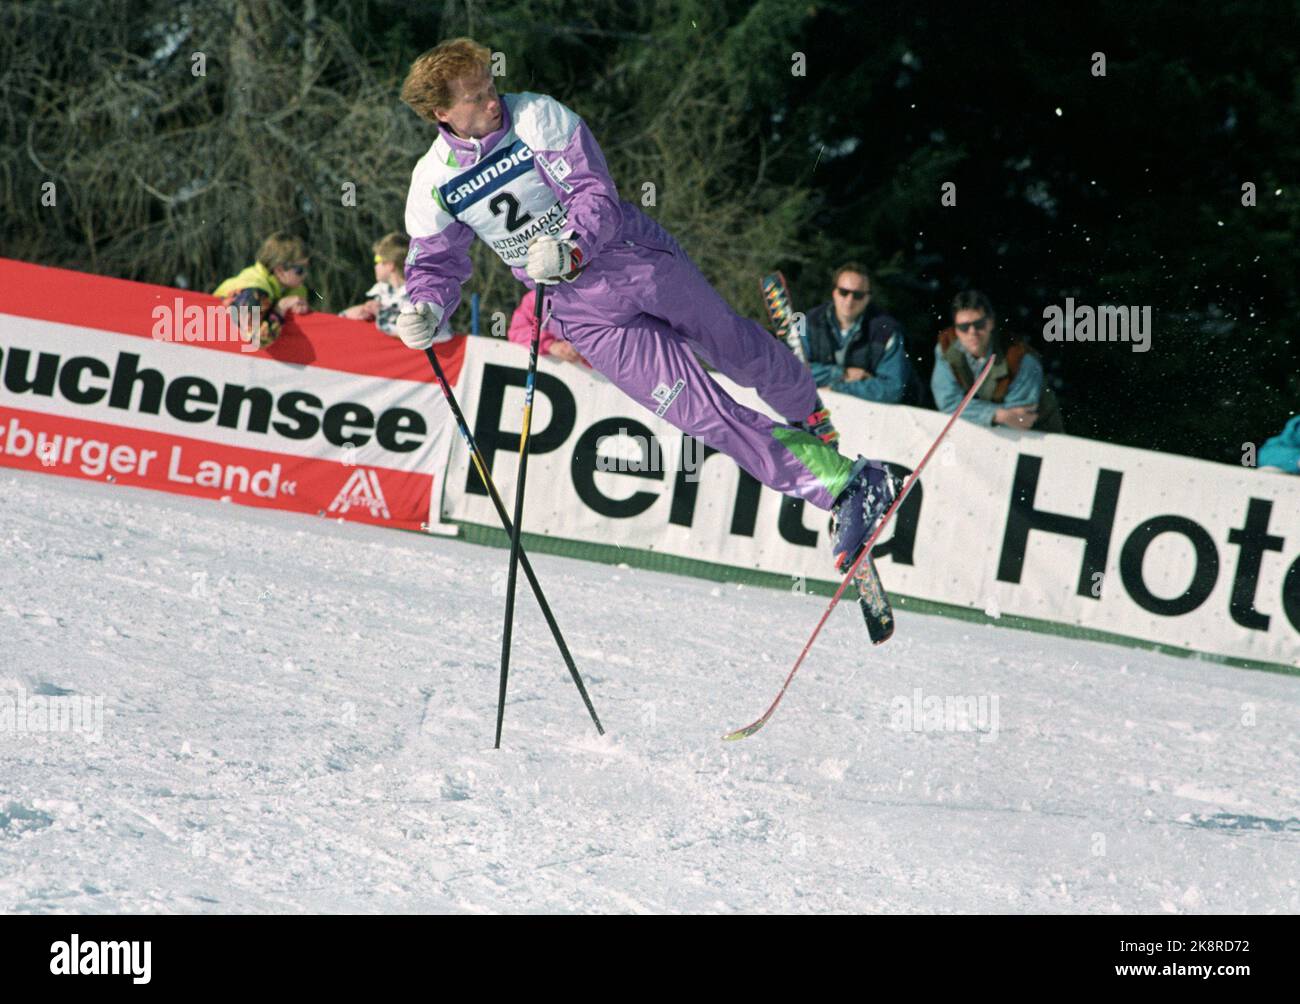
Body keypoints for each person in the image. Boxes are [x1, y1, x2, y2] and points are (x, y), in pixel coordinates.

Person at [394, 38, 899, 573]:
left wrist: (571, 246)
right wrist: (426, 309)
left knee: (732, 348)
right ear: (441, 112)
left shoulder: (538, 117)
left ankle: (805, 410)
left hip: (631, 260)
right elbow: (435, 265)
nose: (493, 101)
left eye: (491, 87)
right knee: (704, 415)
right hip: (582, 314)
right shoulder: (433, 182)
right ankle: (845, 484)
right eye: (476, 97)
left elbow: (594, 194)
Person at [931, 290, 1064, 431]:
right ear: (956, 329)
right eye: (964, 327)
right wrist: (998, 414)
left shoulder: (1021, 359)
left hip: (1040, 434)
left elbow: (1020, 419)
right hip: (987, 428)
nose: (972, 332)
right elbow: (948, 403)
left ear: (991, 323)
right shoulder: (946, 349)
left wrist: (975, 412)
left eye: (979, 324)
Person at [804, 263, 924, 405]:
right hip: (817, 407)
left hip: (873, 413)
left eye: (858, 295)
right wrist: (843, 374)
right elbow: (793, 370)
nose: (849, 301)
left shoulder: (886, 331)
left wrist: (837, 389)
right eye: (844, 292)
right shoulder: (809, 321)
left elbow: (893, 388)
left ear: (868, 298)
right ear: (834, 292)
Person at [213, 231, 311, 349]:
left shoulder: (285, 285)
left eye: (307, 267)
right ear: (279, 270)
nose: (305, 275)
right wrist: (280, 308)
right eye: (299, 270)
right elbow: (255, 339)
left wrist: (298, 304)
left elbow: (296, 294)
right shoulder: (253, 290)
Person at [340, 232, 418, 336]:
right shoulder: (384, 292)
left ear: (390, 265)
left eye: (378, 260)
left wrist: (379, 311)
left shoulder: (415, 295)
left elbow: (410, 330)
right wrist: (357, 312)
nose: (375, 266)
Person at [507, 289, 588, 365]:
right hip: (549, 368)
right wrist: (550, 344)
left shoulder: (594, 292)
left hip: (592, 372)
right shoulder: (536, 298)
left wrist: (585, 349)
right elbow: (517, 332)